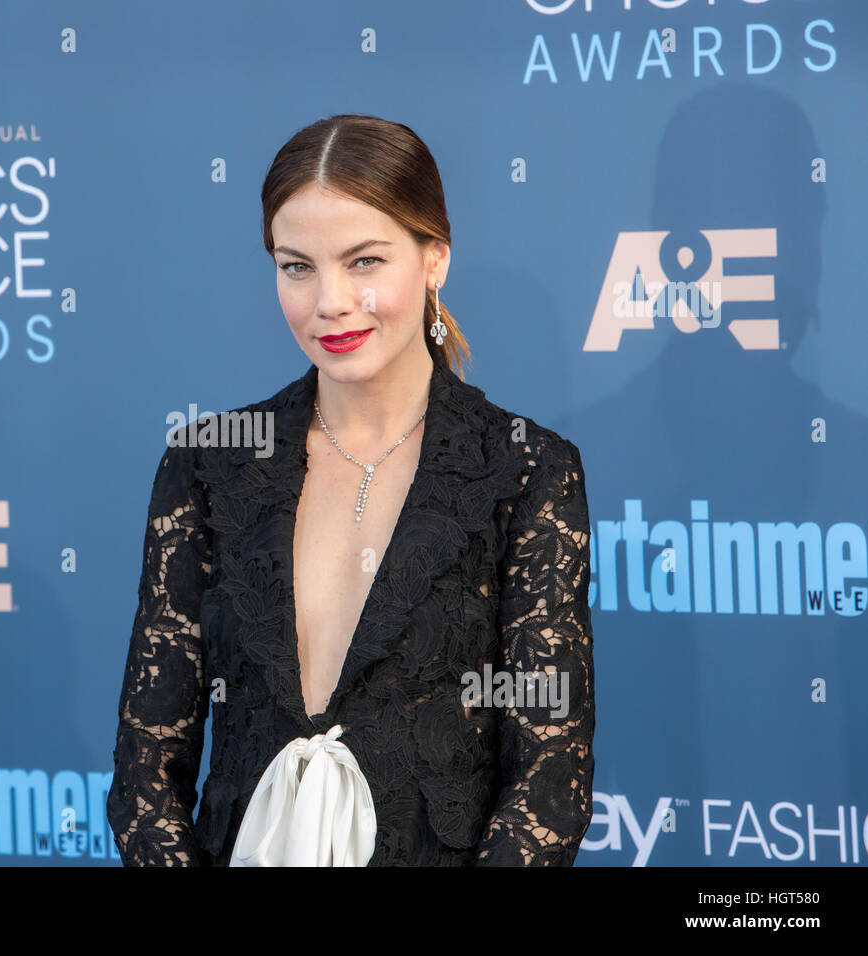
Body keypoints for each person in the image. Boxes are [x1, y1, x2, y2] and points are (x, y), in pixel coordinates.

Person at [107, 113, 595, 866]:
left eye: (364, 261)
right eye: (296, 265)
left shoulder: (525, 471)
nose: (329, 301)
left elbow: (549, 767)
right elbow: (148, 765)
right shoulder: (208, 464)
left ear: (435, 258)